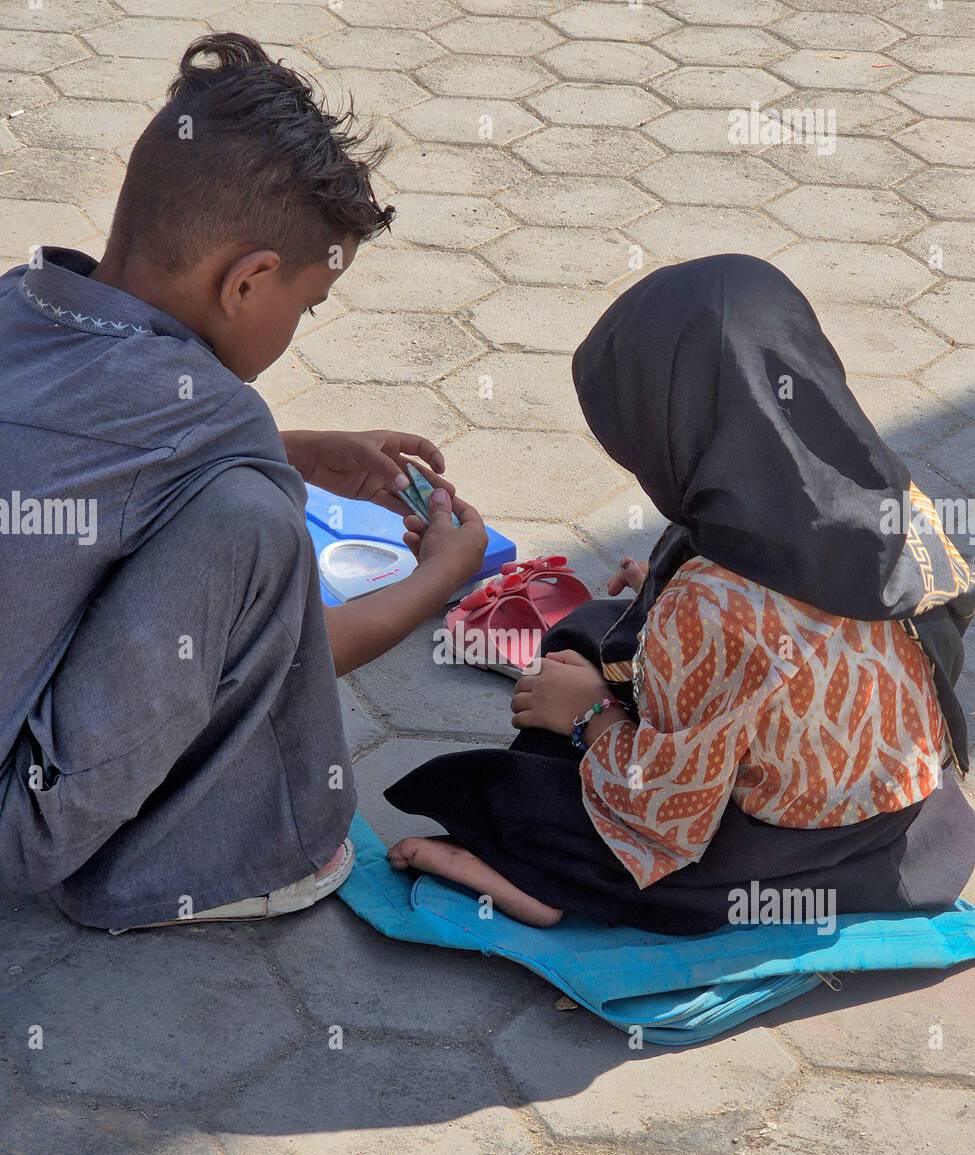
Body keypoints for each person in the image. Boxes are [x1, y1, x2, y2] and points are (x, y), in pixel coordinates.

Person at [0, 33, 486, 931]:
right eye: (305, 306)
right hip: (14, 823)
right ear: (249, 280)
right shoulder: (213, 421)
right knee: (250, 522)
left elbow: (89, 463)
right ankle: (218, 863)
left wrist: (293, 448)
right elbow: (299, 650)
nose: (298, 323)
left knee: (242, 491)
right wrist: (438, 579)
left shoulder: (19, 302)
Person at [386, 255, 975, 931]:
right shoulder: (890, 499)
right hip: (906, 818)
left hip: (782, 846)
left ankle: (548, 884)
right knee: (595, 629)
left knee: (514, 779)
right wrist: (662, 600)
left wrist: (587, 716)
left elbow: (664, 812)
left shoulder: (709, 606)